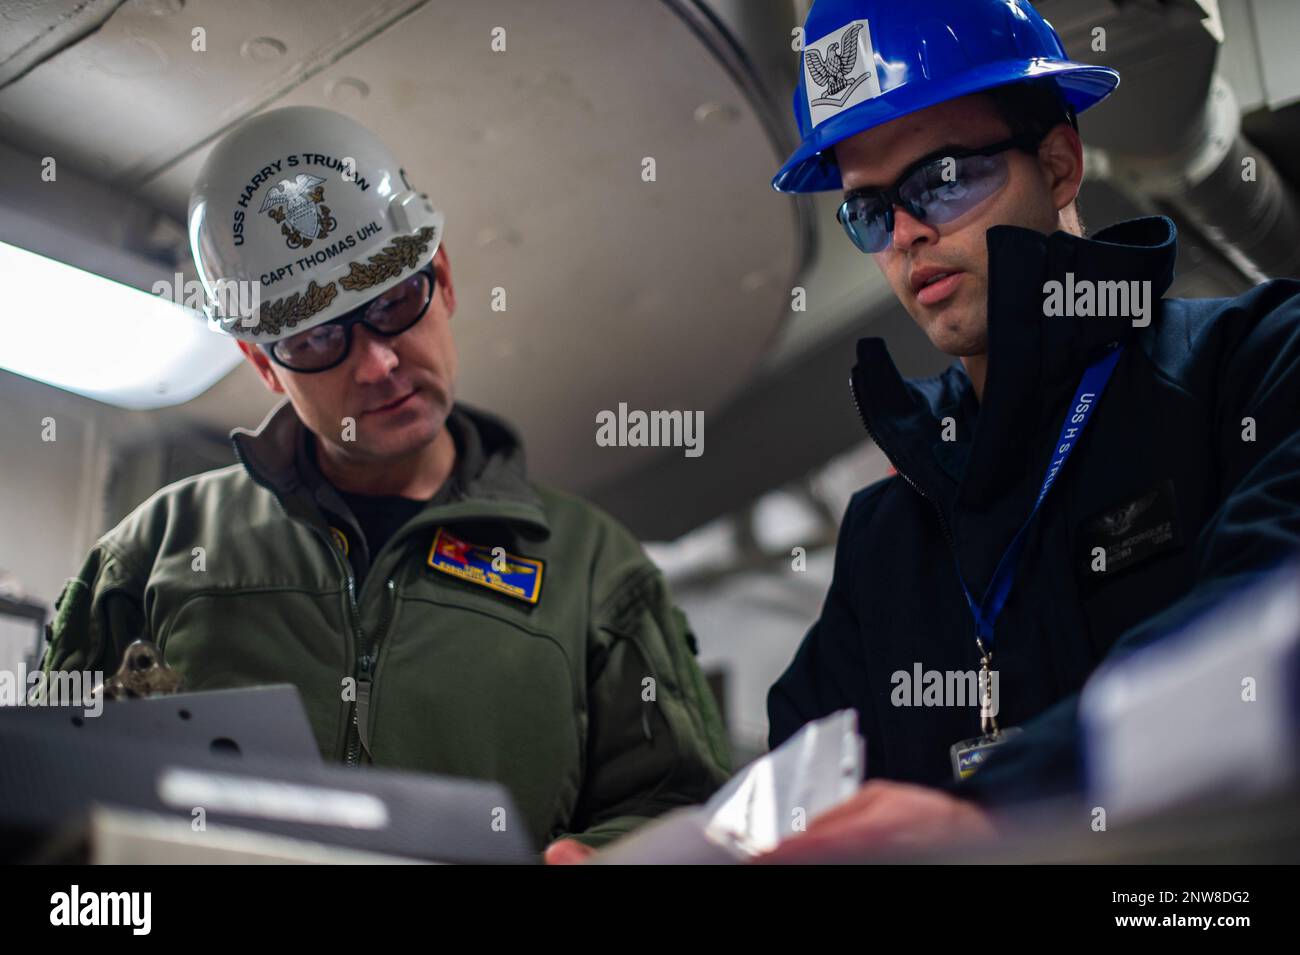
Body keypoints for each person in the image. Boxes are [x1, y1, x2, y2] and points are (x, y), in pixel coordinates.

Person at [39, 106, 730, 861]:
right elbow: (40, 794)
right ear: (263, 362)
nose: (377, 364)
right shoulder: (150, 555)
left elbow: (689, 809)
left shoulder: (594, 571)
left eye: (394, 303)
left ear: (444, 278)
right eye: (316, 338)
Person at [764, 0, 1300, 858]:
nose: (907, 232)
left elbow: (1272, 642)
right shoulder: (885, 538)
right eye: (870, 212)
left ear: (1058, 165)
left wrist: (1011, 804)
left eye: (941, 178)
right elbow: (799, 786)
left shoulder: (1259, 369)